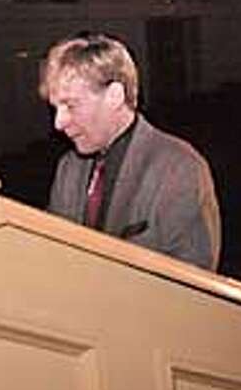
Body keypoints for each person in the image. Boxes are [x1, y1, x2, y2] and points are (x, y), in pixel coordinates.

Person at [39, 32, 221, 270]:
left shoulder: (180, 168)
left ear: (114, 96)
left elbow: (194, 285)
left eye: (71, 105)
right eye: (56, 108)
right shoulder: (68, 167)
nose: (59, 123)